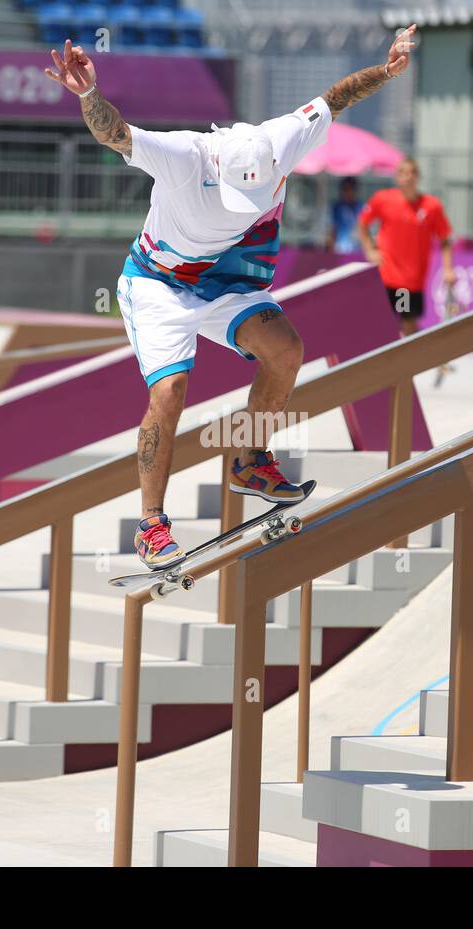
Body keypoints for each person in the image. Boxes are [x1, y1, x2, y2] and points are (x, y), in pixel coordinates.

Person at [44, 27, 419, 568]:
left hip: (226, 286)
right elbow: (116, 134)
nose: (244, 209)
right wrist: (88, 95)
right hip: (158, 284)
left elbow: (336, 97)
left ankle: (251, 459)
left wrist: (386, 71)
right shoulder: (185, 156)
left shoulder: (283, 139)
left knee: (286, 350)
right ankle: (151, 525)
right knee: (171, 389)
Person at [354, 156, 454, 338]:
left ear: (418, 177)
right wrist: (370, 250)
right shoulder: (383, 199)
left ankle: (407, 363)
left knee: (408, 325)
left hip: (409, 282)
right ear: (396, 177)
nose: (407, 177)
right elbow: (362, 224)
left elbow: (445, 240)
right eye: (403, 172)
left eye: (412, 172)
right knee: (380, 325)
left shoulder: (431, 206)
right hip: (385, 276)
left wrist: (448, 269)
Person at [325, 176, 362, 253]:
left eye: (350, 189)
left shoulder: (361, 208)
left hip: (358, 251)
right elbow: (332, 230)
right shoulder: (336, 208)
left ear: (355, 191)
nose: (347, 193)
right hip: (339, 250)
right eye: (344, 190)